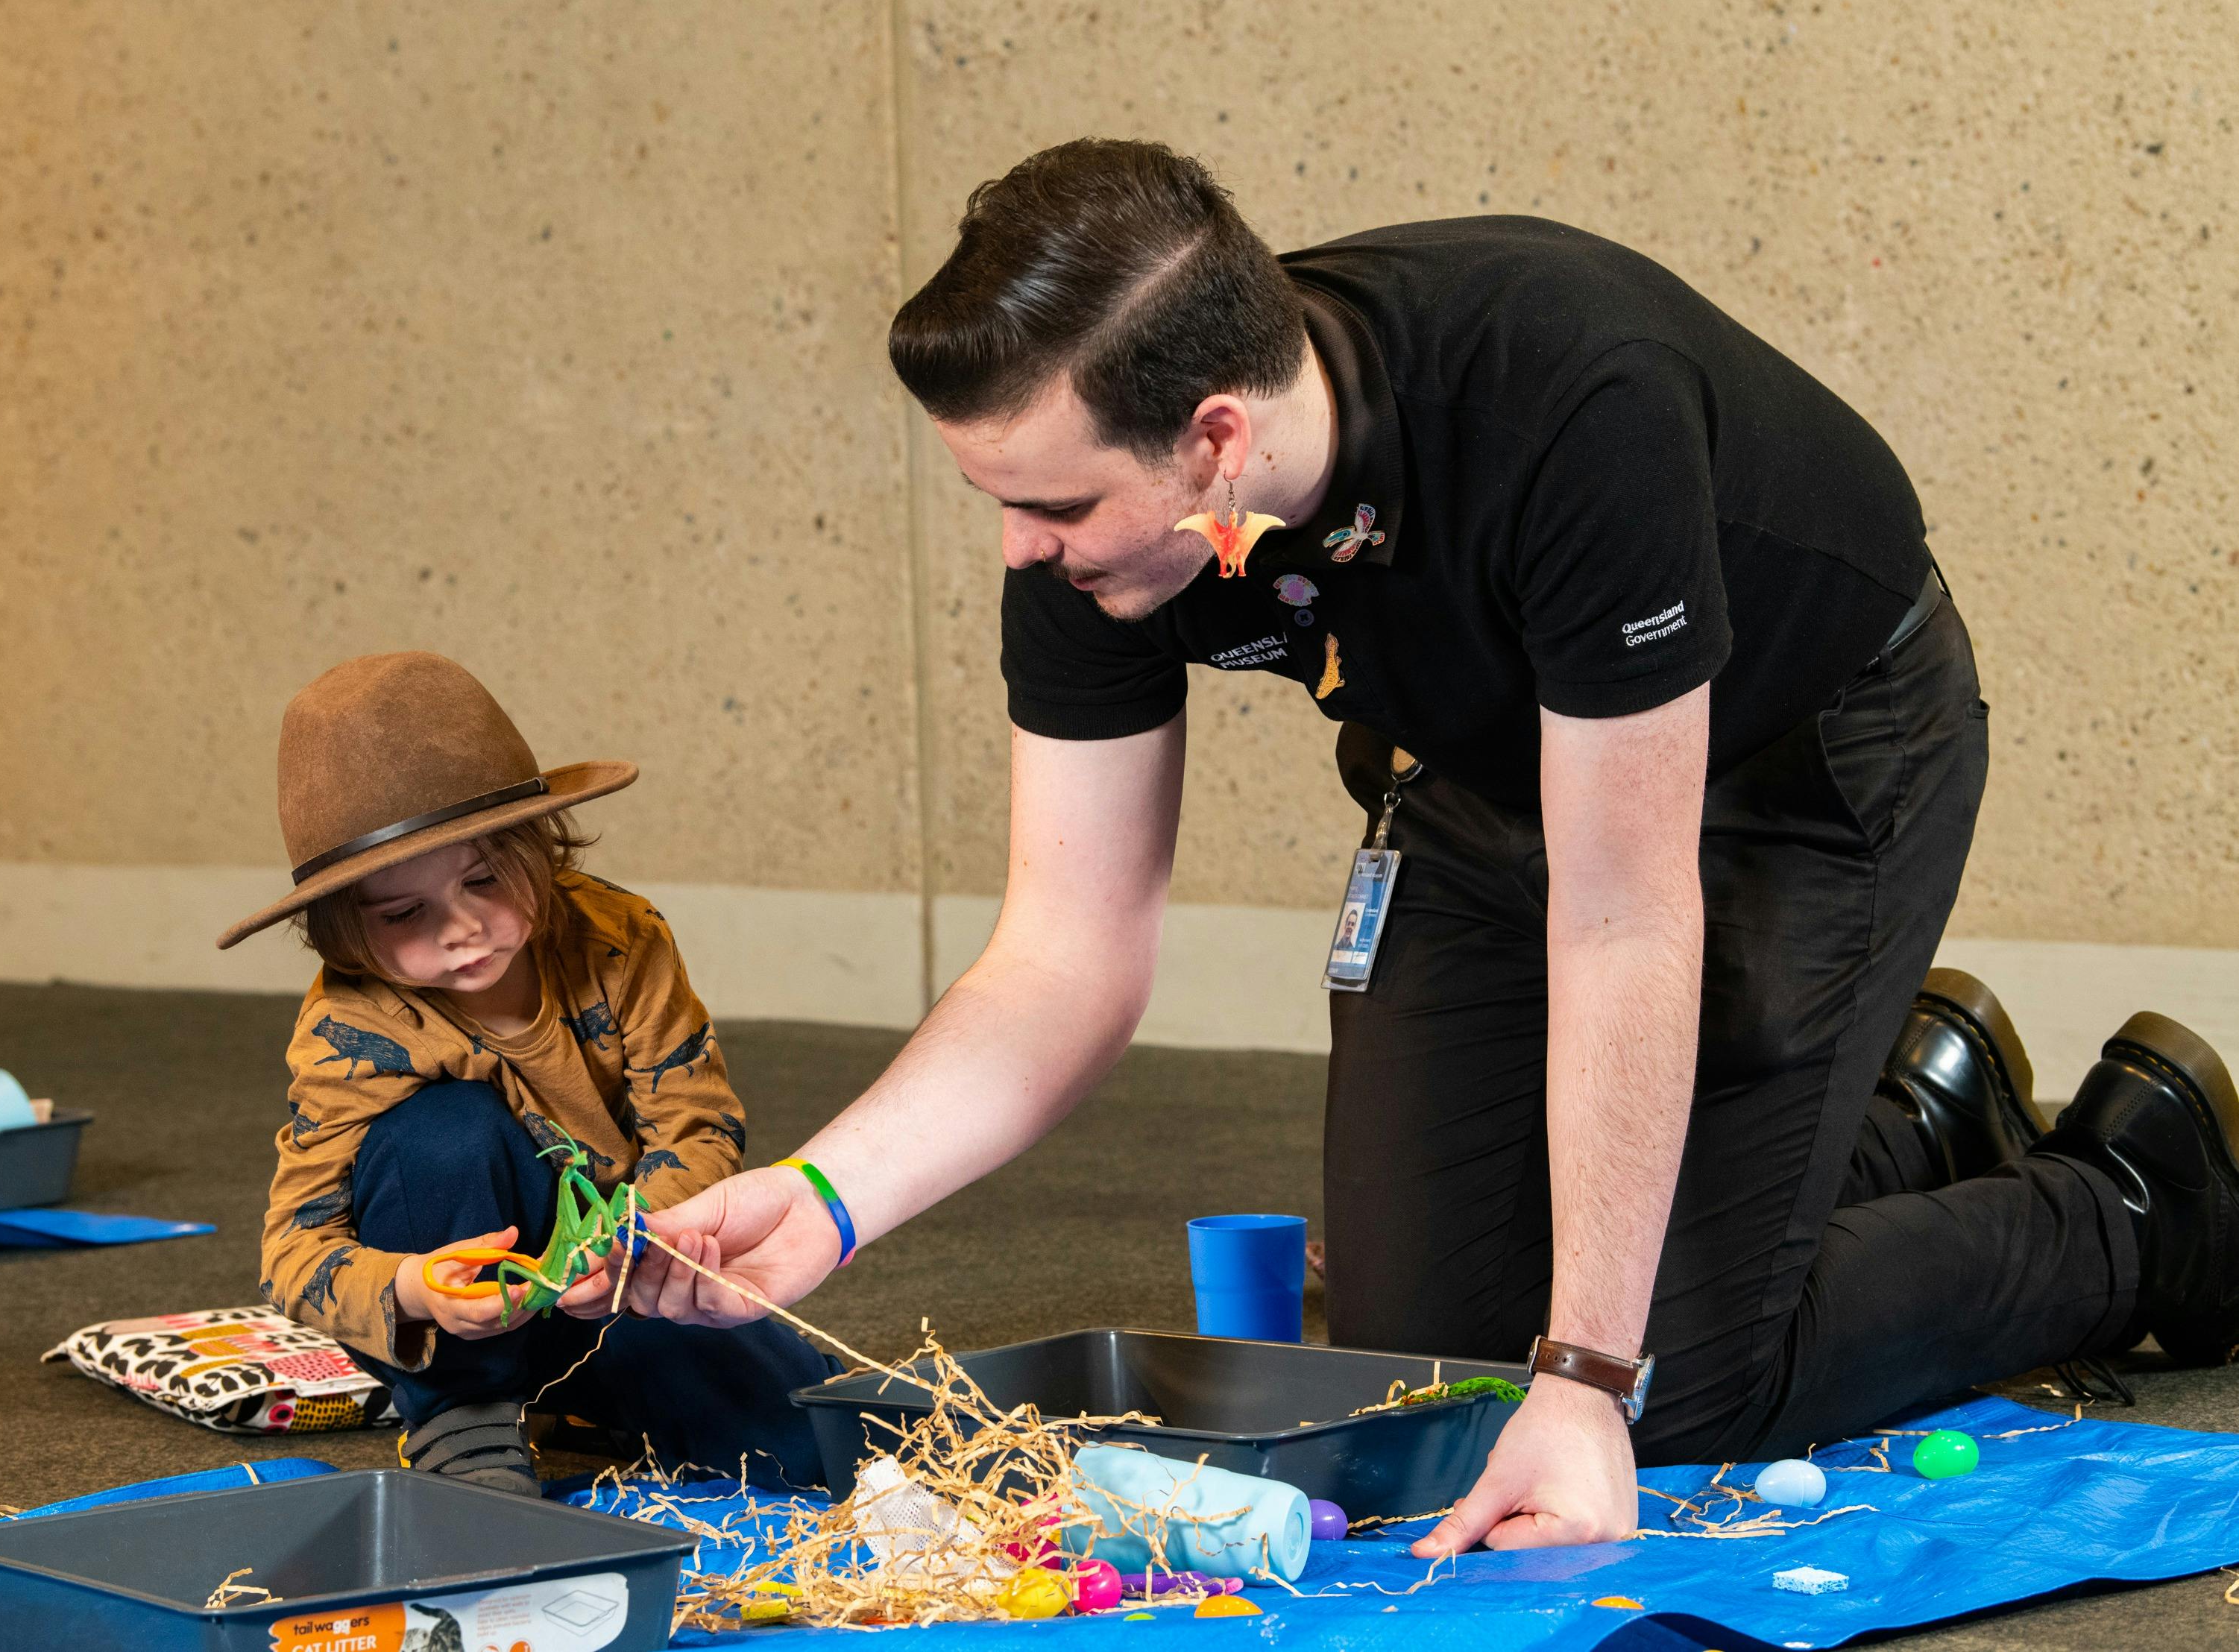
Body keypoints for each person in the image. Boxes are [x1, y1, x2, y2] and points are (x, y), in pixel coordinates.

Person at [577, 140, 2239, 1553]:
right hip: (1477, 766)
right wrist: (822, 1200)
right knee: (1420, 1377)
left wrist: (1585, 1379)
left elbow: (1621, 914)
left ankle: (2128, 1203)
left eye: (1056, 507)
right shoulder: (1099, 531)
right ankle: (1902, 1120)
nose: (1020, 548)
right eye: (998, 501)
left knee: (1665, 1387)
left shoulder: (1562, 400)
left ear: (1214, 441)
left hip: (1800, 751)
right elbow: (1064, 951)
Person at [218, 650, 831, 1494]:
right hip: (464, 1319)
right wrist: (416, 1287)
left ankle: (583, 1402)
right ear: (342, 930)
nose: (462, 928)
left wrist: (638, 1244)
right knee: (444, 1132)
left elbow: (697, 1126)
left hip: (623, 1282)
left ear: (540, 850)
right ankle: (464, 1416)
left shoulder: (622, 937)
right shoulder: (348, 1026)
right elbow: (293, 1250)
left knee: (812, 1453)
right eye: (404, 912)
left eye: (485, 879)